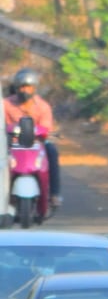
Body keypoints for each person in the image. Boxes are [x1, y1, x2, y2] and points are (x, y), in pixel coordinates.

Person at [3, 68, 61, 213]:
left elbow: (47, 128)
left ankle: (54, 194)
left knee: (52, 152)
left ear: (34, 88)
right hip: (11, 143)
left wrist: (41, 133)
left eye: (28, 87)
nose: (25, 90)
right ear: (16, 88)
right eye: (22, 87)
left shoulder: (43, 106)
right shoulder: (5, 104)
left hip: (37, 143)